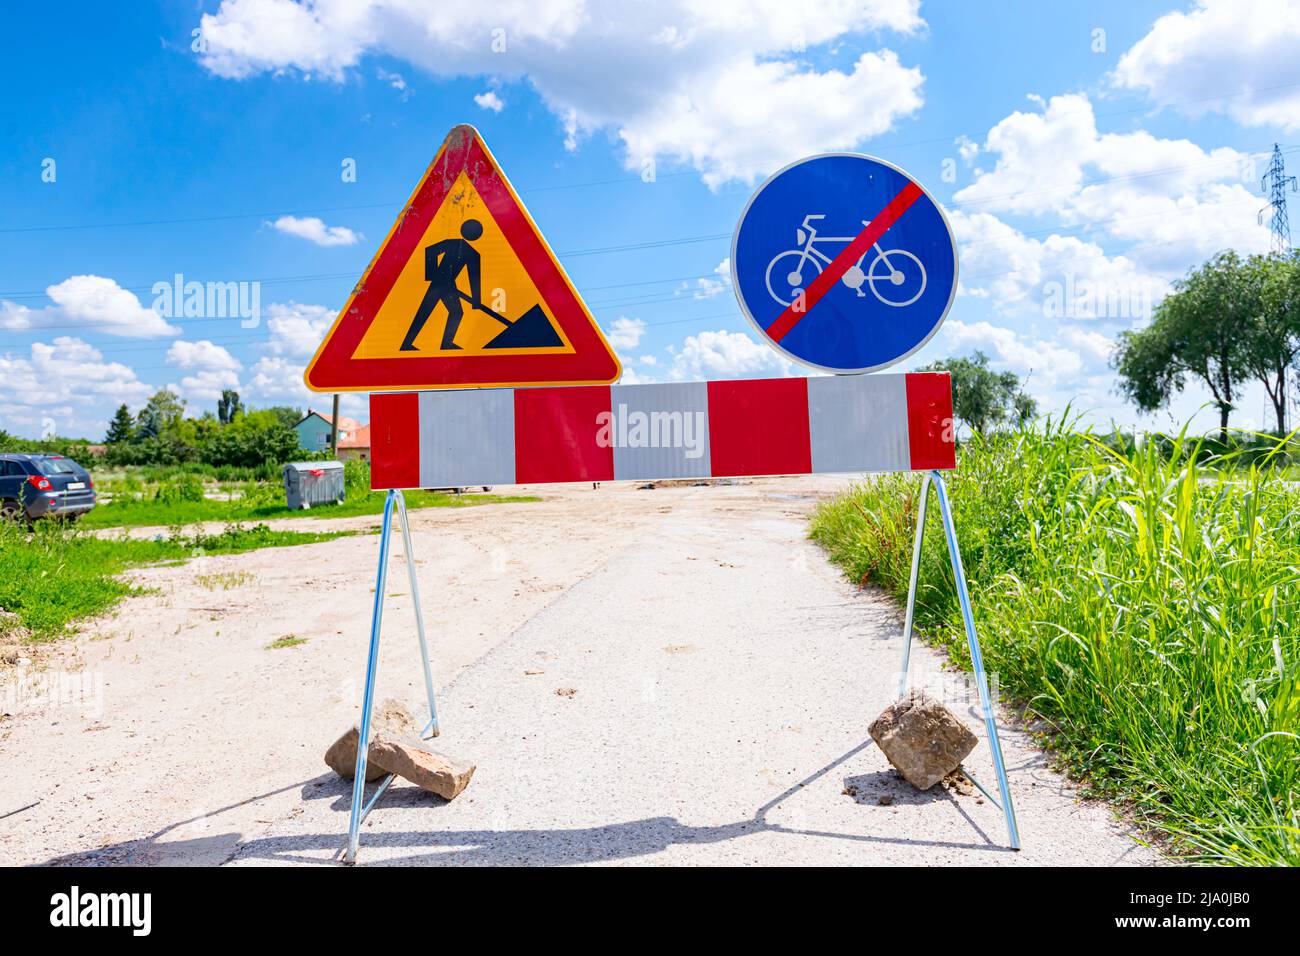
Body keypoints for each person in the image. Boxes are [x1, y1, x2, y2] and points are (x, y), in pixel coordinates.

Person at [399, 219, 483, 351]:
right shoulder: (470, 252)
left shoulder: (461, 248)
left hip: (443, 283)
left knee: (425, 311)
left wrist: (476, 301)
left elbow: (474, 277)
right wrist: (476, 302)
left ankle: (406, 344)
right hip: (444, 283)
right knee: (455, 312)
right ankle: (446, 344)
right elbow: (429, 251)